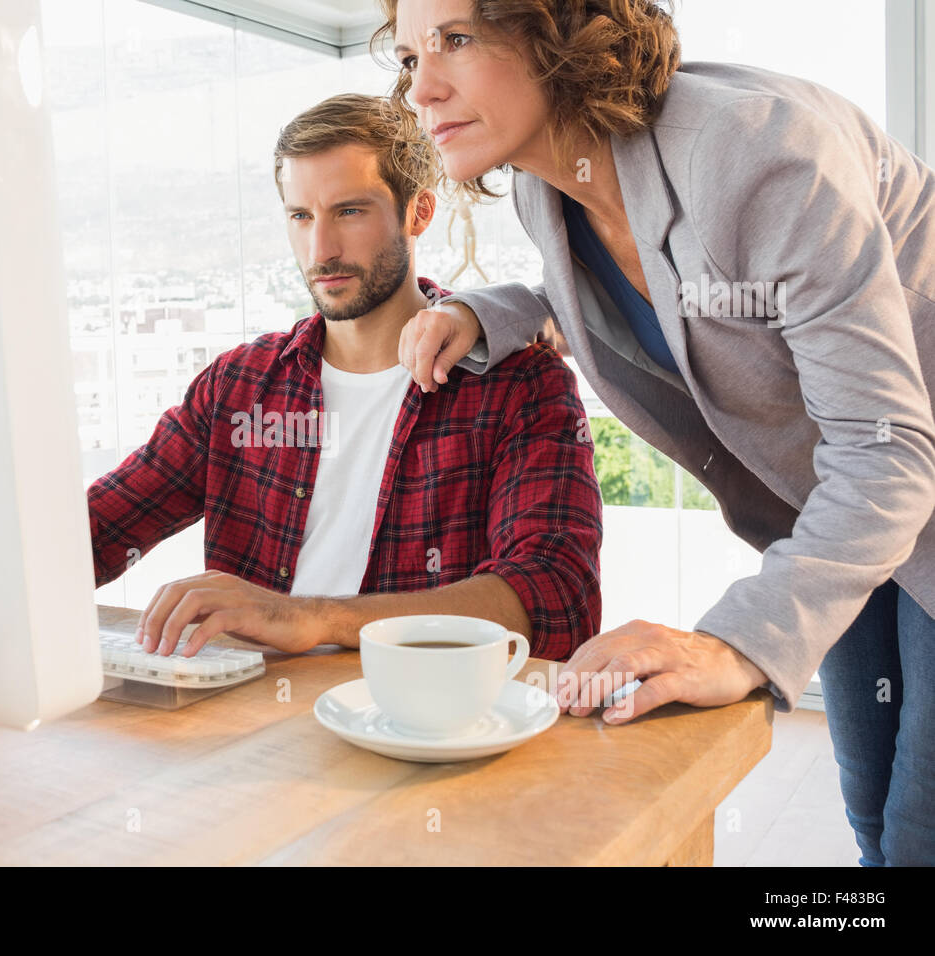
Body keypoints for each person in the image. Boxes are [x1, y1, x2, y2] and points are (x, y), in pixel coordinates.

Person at [384, 0, 935, 865]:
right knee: (870, 808)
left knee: (917, 834)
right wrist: (493, 311)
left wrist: (734, 641)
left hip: (890, 471)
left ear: (559, 32)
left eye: (455, 40)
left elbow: (886, 451)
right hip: (838, 506)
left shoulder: (759, 154)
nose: (422, 89)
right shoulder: (546, 188)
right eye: (411, 56)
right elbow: (643, 299)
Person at [89, 93, 602, 665]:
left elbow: (558, 597)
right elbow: (98, 531)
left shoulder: (519, 386)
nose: (321, 250)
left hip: (414, 710)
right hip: (247, 710)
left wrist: (310, 617)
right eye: (301, 216)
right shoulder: (238, 387)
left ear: (419, 213)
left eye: (350, 211)